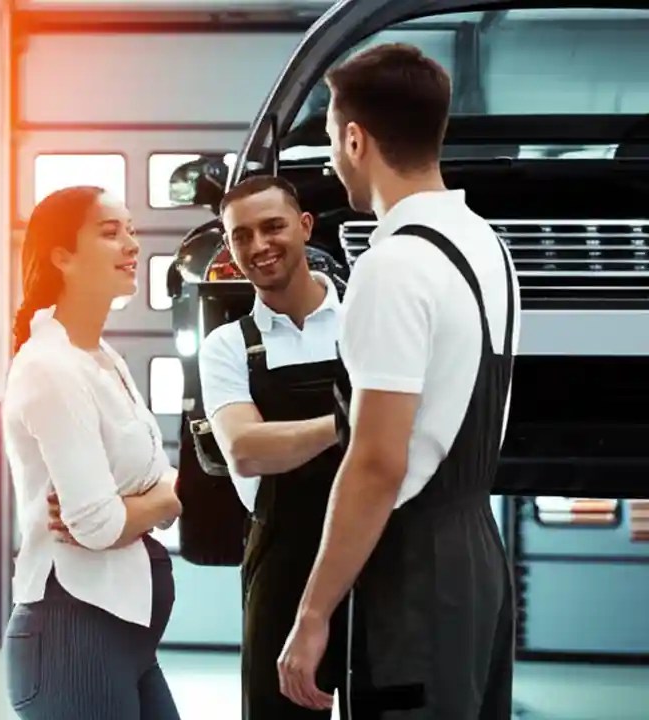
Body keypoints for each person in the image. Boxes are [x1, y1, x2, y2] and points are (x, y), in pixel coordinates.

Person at [276, 43, 521, 719]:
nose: (330, 158)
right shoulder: (485, 244)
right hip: (476, 553)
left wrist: (313, 610)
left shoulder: (393, 265)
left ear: (355, 139)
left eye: (329, 138)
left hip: (413, 572)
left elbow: (379, 460)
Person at [1, 185, 183, 720]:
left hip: (122, 637)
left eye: (131, 230)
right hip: (71, 637)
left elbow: (161, 477)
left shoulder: (102, 358)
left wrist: (150, 501)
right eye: (110, 232)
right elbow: (100, 524)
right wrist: (166, 502)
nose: (131, 244)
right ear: (62, 256)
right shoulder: (50, 367)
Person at [196, 175, 349, 719]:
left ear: (305, 227)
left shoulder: (364, 324)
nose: (258, 246)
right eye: (241, 236)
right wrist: (351, 423)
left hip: (377, 555)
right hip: (281, 558)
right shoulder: (227, 346)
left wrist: (295, 437)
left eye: (273, 227)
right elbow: (246, 450)